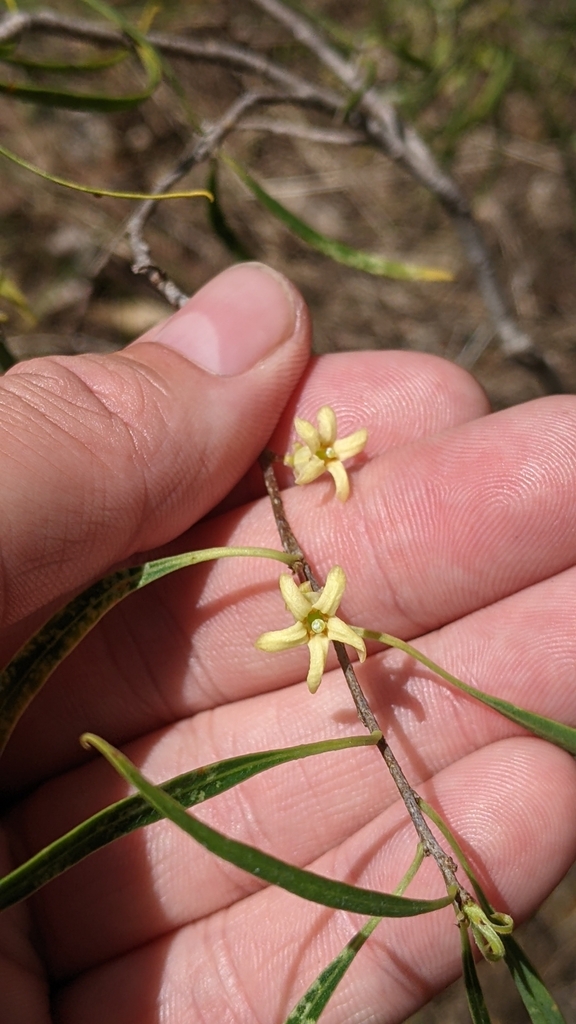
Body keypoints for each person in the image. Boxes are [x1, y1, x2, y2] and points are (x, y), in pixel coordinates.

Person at [0, 262, 575, 1024]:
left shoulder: (323, 593)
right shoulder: (313, 598)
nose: (327, 460)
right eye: (325, 457)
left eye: (328, 458)